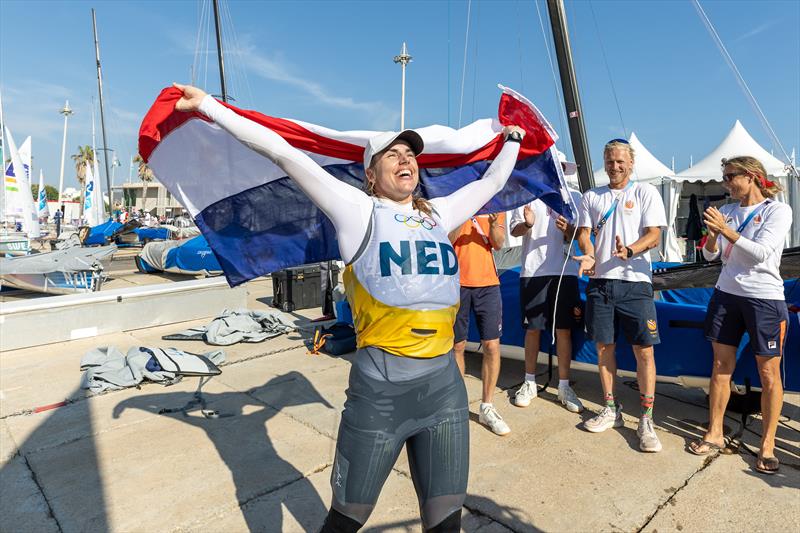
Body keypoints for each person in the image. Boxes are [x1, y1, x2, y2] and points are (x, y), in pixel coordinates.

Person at [173, 82, 526, 532]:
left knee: (445, 522)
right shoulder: (356, 210)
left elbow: (493, 181)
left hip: (445, 391)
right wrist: (208, 107)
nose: (406, 159)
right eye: (392, 155)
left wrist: (514, 139)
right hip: (381, 393)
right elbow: (284, 153)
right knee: (346, 520)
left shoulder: (440, 215)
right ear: (371, 175)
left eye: (410, 154)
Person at [689, 156, 792, 475]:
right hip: (726, 294)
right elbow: (710, 255)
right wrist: (712, 234)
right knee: (720, 365)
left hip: (764, 298)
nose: (725, 183)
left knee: (768, 374)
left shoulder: (777, 210)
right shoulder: (728, 212)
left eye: (730, 177)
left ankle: (767, 444)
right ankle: (715, 433)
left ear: (751, 176)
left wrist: (725, 230)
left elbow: (762, 252)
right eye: (724, 177)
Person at [574, 138, 667, 453]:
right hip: (600, 284)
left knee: (645, 352)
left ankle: (646, 419)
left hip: (635, 283)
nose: (615, 167)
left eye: (621, 162)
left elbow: (654, 234)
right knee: (604, 348)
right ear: (604, 161)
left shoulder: (645, 192)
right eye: (610, 161)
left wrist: (629, 250)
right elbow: (585, 234)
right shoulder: (591, 196)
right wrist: (588, 254)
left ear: (631, 163)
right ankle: (611, 409)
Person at [510, 186, 585, 413]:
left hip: (565, 270)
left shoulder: (575, 196)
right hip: (533, 271)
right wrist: (529, 224)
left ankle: (564, 386)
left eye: (560, 168)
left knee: (564, 329)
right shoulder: (526, 194)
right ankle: (529, 382)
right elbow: (514, 231)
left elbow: (581, 235)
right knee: (532, 329)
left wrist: (568, 230)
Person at [450, 211, 509, 435]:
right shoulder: (457, 200)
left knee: (492, 346)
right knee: (457, 346)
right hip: (456, 283)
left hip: (488, 284)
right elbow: (446, 240)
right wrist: (462, 214)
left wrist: (494, 225)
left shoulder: (495, 204)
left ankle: (487, 406)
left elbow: (498, 243)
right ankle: (457, 405)